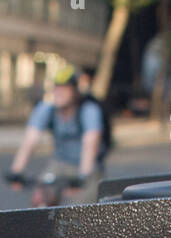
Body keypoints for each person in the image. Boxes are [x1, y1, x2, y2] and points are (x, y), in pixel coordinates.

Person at [6, 64, 103, 204]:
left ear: (75, 91)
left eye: (64, 89)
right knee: (40, 197)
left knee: (79, 211)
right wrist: (16, 171)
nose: (59, 92)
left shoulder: (89, 110)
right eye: (56, 88)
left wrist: (83, 177)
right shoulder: (47, 109)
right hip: (59, 163)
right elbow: (30, 140)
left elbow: (90, 143)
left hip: (86, 166)